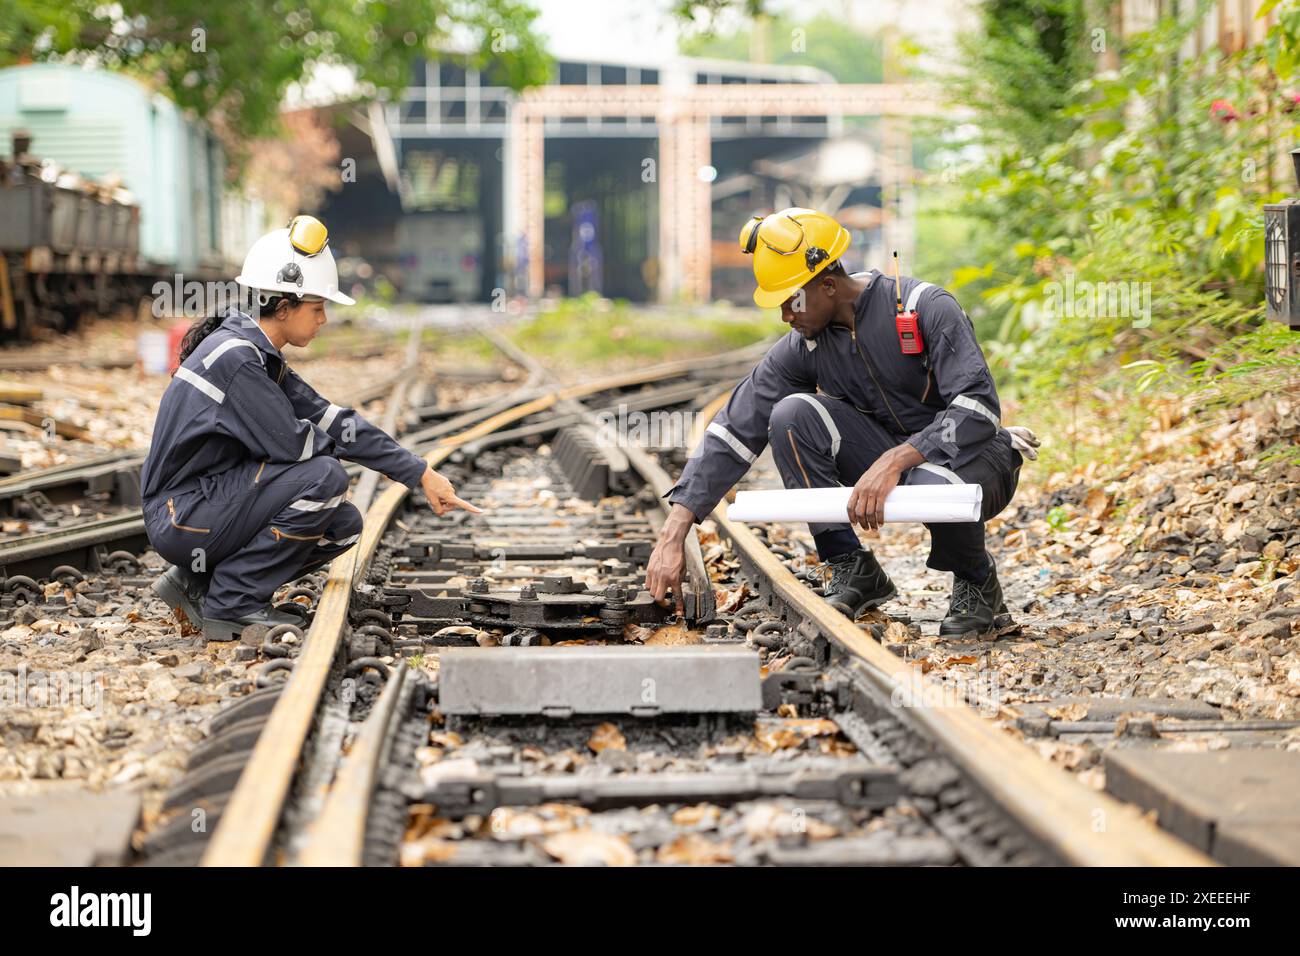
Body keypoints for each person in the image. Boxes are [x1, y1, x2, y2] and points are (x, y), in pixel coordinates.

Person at [645, 207, 1038, 638]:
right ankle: (851, 567)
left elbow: (977, 408)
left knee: (931, 472)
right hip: (894, 458)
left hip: (975, 458)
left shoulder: (926, 306)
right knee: (791, 414)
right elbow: (736, 427)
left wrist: (896, 459)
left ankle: (976, 581)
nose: (785, 317)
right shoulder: (805, 346)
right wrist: (675, 530)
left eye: (790, 301)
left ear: (828, 285)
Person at [141, 215, 480, 642]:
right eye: (317, 308)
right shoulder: (238, 360)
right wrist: (331, 447)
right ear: (284, 308)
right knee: (324, 477)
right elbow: (296, 445)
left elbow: (336, 421)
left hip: (199, 506)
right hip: (180, 517)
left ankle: (200, 584)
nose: (323, 319)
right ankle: (232, 604)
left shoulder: (257, 354)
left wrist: (419, 472)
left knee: (342, 524)